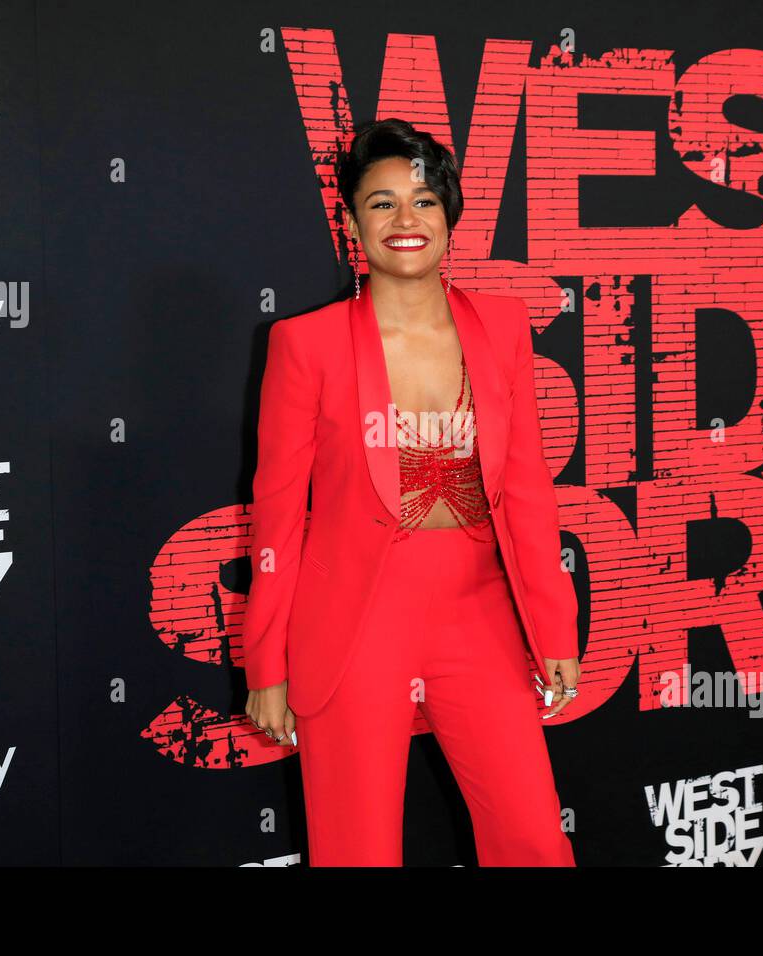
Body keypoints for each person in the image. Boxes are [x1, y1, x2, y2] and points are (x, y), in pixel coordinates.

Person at [243, 117, 581, 866]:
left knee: (532, 838)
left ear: (450, 215)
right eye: (382, 203)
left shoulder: (503, 326)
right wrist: (264, 664)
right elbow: (276, 519)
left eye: (424, 201)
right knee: (356, 848)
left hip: (481, 613)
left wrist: (554, 625)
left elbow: (527, 485)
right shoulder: (309, 344)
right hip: (355, 623)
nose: (406, 221)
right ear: (351, 221)